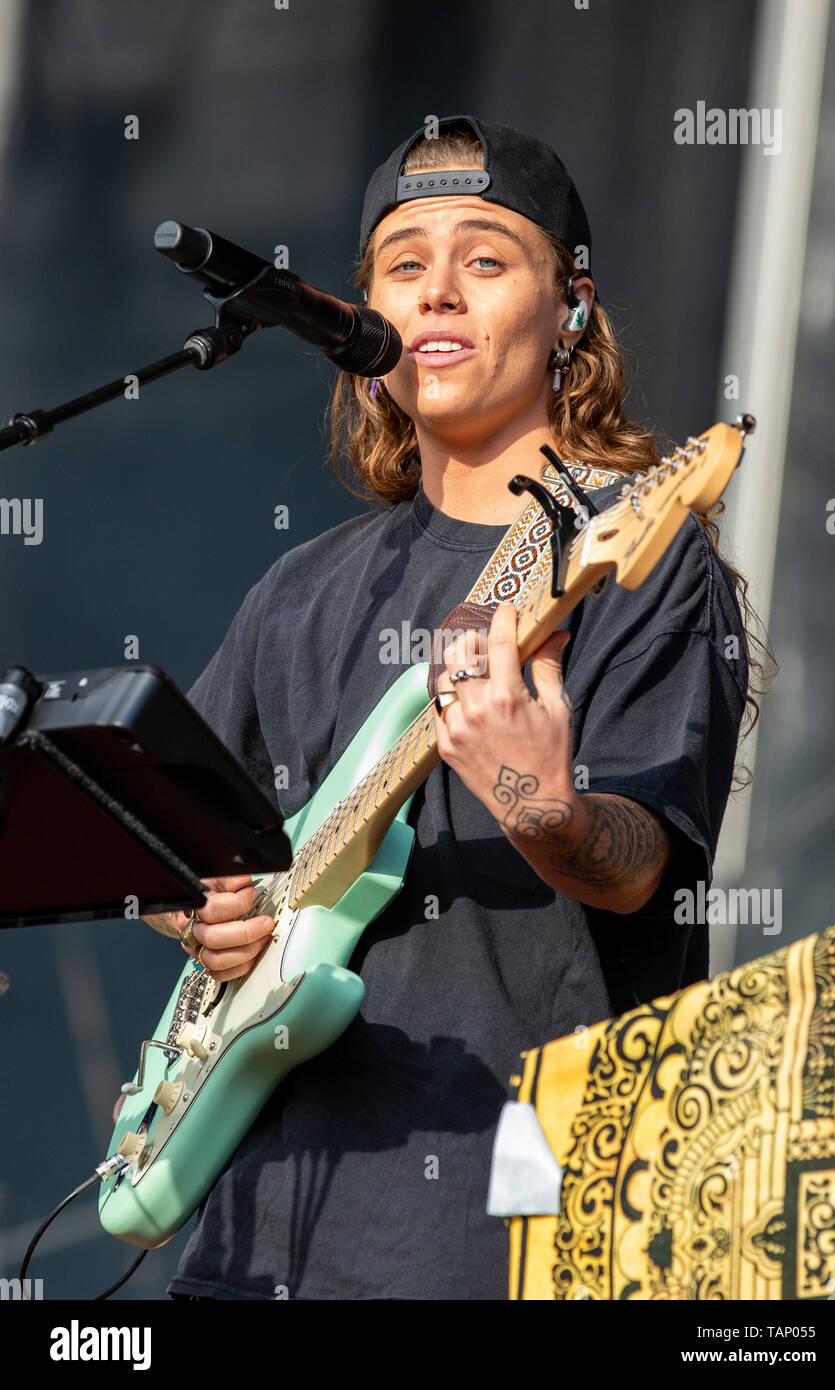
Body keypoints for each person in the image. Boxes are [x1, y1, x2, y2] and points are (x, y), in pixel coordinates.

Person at [136, 115, 761, 1300]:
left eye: (483, 259)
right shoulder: (303, 587)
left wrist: (540, 805)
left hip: (502, 1219)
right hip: (257, 1228)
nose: (436, 292)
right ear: (362, 326)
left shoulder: (633, 552)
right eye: (403, 266)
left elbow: (639, 866)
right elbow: (172, 840)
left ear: (569, 310)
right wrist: (199, 913)